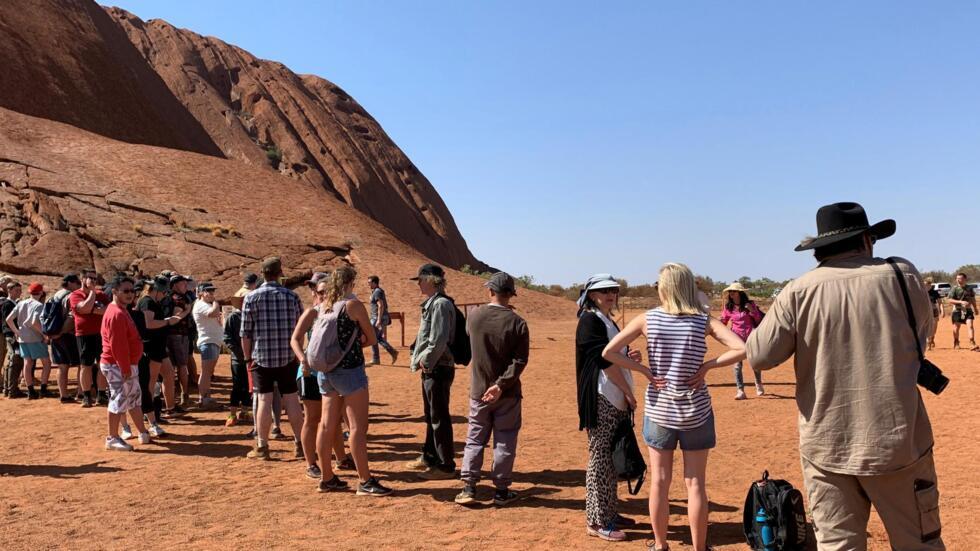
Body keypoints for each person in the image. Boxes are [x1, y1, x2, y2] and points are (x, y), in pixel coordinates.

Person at [746, 202, 944, 550]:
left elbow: (760, 355)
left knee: (838, 545)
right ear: (867, 240)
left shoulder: (798, 291)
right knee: (920, 544)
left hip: (827, 446)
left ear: (819, 249)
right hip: (899, 443)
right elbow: (922, 336)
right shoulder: (903, 277)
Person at [604, 264, 745, 551]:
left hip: (659, 411)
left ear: (665, 287)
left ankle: (660, 544)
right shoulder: (702, 320)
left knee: (660, 482)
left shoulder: (648, 319)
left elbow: (608, 352)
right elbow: (742, 347)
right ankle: (699, 547)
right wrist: (707, 366)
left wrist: (643, 370)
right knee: (696, 484)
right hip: (697, 411)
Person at [575, 274, 657, 542]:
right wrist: (626, 391)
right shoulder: (589, 320)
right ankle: (597, 520)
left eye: (613, 291)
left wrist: (630, 356)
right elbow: (604, 362)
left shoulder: (606, 319)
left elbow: (616, 356)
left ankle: (609, 511)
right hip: (603, 396)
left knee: (611, 457)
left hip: (614, 395)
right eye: (604, 291)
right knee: (599, 459)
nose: (611, 295)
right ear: (591, 295)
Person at [304, 266, 390, 495]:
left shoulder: (323, 306)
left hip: (325, 372)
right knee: (357, 428)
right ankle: (365, 481)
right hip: (350, 372)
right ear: (350, 283)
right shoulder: (353, 305)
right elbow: (371, 338)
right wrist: (349, 347)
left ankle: (327, 478)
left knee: (326, 424)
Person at [455, 272, 529, 507]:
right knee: (505, 440)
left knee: (475, 437)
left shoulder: (474, 316)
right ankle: (501, 490)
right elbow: (519, 361)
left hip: (478, 390)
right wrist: (500, 385)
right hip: (507, 393)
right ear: (511, 294)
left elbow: (469, 340)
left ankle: (469, 487)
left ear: (490, 291)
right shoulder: (518, 323)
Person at [289, 272, 352, 480]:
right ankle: (311, 464)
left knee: (332, 418)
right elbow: (295, 339)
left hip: (331, 373)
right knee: (313, 418)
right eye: (320, 290)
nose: (323, 294)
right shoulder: (312, 312)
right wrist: (302, 359)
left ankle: (341, 459)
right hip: (309, 373)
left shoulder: (338, 312)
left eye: (327, 290)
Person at [240, 257, 305, 460]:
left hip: (261, 357)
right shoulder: (292, 297)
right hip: (287, 356)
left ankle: (262, 446)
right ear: (280, 273)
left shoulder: (252, 297)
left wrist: (247, 358)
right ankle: (300, 444)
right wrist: (298, 352)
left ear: (262, 273)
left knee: (263, 400)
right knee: (292, 400)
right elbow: (300, 328)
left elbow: (245, 333)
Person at [406, 263, 458, 480]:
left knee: (439, 417)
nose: (418, 283)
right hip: (432, 367)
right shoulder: (432, 303)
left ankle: (446, 466)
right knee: (431, 416)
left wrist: (424, 361)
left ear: (430, 280)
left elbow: (438, 340)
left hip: (438, 367)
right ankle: (429, 457)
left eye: (420, 279)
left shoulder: (440, 305)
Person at [101, 275, 151, 451]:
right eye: (126, 291)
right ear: (115, 292)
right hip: (117, 364)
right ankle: (112, 437)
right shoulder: (116, 314)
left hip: (127, 364)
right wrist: (124, 367)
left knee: (134, 398)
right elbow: (118, 345)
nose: (130, 294)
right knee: (118, 399)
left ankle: (142, 432)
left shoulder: (122, 310)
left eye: (132, 291)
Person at [135, 278, 182, 436]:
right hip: (152, 347)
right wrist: (168, 321)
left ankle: (169, 409)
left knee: (168, 375)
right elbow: (149, 323)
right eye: (163, 291)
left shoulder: (150, 301)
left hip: (158, 346)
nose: (165, 295)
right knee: (150, 381)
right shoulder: (147, 302)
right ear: (156, 290)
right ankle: (149, 414)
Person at [69, 270, 111, 407]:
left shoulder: (102, 295)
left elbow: (107, 310)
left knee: (102, 364)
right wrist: (92, 294)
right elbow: (83, 309)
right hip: (84, 334)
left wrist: (91, 309)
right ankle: (86, 395)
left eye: (95, 279)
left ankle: (101, 394)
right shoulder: (75, 295)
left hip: (101, 334)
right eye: (90, 278)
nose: (93, 281)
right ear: (83, 279)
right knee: (85, 365)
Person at [6, 282, 53, 400]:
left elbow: (9, 319)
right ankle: (43, 389)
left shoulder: (21, 303)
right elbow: (33, 322)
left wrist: (17, 332)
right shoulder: (38, 305)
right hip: (35, 338)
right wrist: (44, 334)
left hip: (23, 338)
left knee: (27, 363)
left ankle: (31, 391)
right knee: (47, 363)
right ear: (41, 292)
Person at [718, 282, 765, 400]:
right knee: (737, 365)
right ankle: (740, 391)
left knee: (754, 363)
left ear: (739, 293)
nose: (731, 294)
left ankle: (758, 384)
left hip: (750, 337)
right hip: (736, 339)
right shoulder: (728, 307)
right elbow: (723, 322)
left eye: (733, 292)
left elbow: (758, 319)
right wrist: (717, 322)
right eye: (730, 292)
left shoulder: (750, 304)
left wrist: (752, 311)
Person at [49, 274, 82, 403]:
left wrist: (52, 333)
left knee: (62, 366)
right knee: (81, 364)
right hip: (68, 335)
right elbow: (71, 317)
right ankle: (80, 393)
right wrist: (62, 332)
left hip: (55, 334)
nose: (79, 286)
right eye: (78, 283)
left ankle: (64, 395)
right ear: (71, 283)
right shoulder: (71, 296)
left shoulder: (55, 295)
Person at [192, 282, 223, 409]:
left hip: (212, 341)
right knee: (206, 372)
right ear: (200, 293)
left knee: (208, 372)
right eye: (208, 291)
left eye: (212, 291)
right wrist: (216, 303)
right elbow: (213, 313)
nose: (211, 294)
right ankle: (204, 399)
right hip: (208, 341)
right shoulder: (201, 305)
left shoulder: (205, 304)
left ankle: (206, 397)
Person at [223, 293, 251, 427]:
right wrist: (239, 353)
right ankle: (232, 414)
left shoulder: (252, 316)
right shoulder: (233, 317)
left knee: (248, 386)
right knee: (237, 386)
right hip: (238, 359)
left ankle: (244, 412)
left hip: (251, 358)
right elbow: (227, 337)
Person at [166, 275, 194, 407]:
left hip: (171, 335)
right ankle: (184, 395)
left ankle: (174, 396)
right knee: (182, 366)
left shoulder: (168, 296)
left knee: (171, 367)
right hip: (178, 335)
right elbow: (176, 316)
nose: (185, 286)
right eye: (183, 284)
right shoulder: (178, 299)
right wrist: (187, 311)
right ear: (175, 285)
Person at [367, 275, 398, 365]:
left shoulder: (377, 292)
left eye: (370, 282)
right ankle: (392, 352)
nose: (368, 284)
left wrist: (379, 320)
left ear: (375, 282)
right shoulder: (376, 291)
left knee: (373, 338)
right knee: (378, 338)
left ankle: (376, 358)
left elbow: (381, 305)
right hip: (377, 317)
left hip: (377, 317)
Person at [1, 281, 25, 398]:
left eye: (20, 290)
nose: (19, 293)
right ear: (9, 291)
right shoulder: (8, 304)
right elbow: (7, 321)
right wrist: (15, 332)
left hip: (11, 334)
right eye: (16, 290)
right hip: (11, 335)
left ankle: (8, 389)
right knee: (15, 361)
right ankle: (12, 390)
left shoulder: (13, 303)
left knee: (12, 361)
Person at [949, 272, 976, 350]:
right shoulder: (954, 288)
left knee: (970, 325)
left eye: (960, 278)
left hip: (968, 310)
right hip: (957, 310)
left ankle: (972, 342)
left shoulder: (969, 288)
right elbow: (950, 300)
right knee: (956, 327)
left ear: (965, 279)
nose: (958, 280)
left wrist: (975, 308)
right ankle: (956, 342)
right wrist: (961, 302)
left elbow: (972, 299)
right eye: (957, 278)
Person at [924, 277, 945, 350]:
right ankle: (928, 342)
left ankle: (932, 338)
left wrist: (942, 311)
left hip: (934, 311)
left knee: (934, 328)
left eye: (927, 285)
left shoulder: (934, 292)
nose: (925, 286)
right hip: (924, 312)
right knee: (926, 327)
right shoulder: (921, 292)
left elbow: (940, 303)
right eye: (924, 285)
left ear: (930, 285)